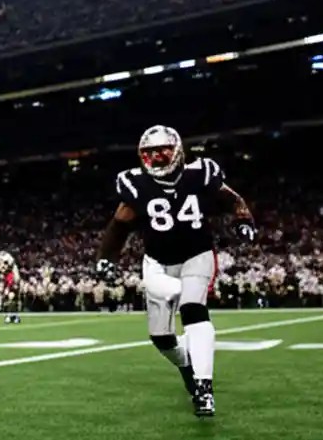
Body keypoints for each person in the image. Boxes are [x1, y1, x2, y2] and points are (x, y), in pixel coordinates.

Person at [97, 125, 256, 418]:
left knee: (193, 308)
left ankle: (204, 387)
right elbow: (120, 225)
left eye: (163, 152)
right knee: (161, 338)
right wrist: (107, 258)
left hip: (197, 254)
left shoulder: (200, 174)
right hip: (157, 262)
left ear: (178, 151)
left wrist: (243, 220)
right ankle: (187, 366)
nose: (157, 158)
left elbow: (233, 199)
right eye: (150, 154)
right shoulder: (136, 183)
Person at [0, 251, 21, 324]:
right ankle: (13, 316)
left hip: (12, 280)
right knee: (7, 298)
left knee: (11, 297)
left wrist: (8, 287)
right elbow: (2, 270)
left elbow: (14, 278)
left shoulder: (13, 269)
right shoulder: (6, 270)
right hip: (8, 279)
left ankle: (11, 316)